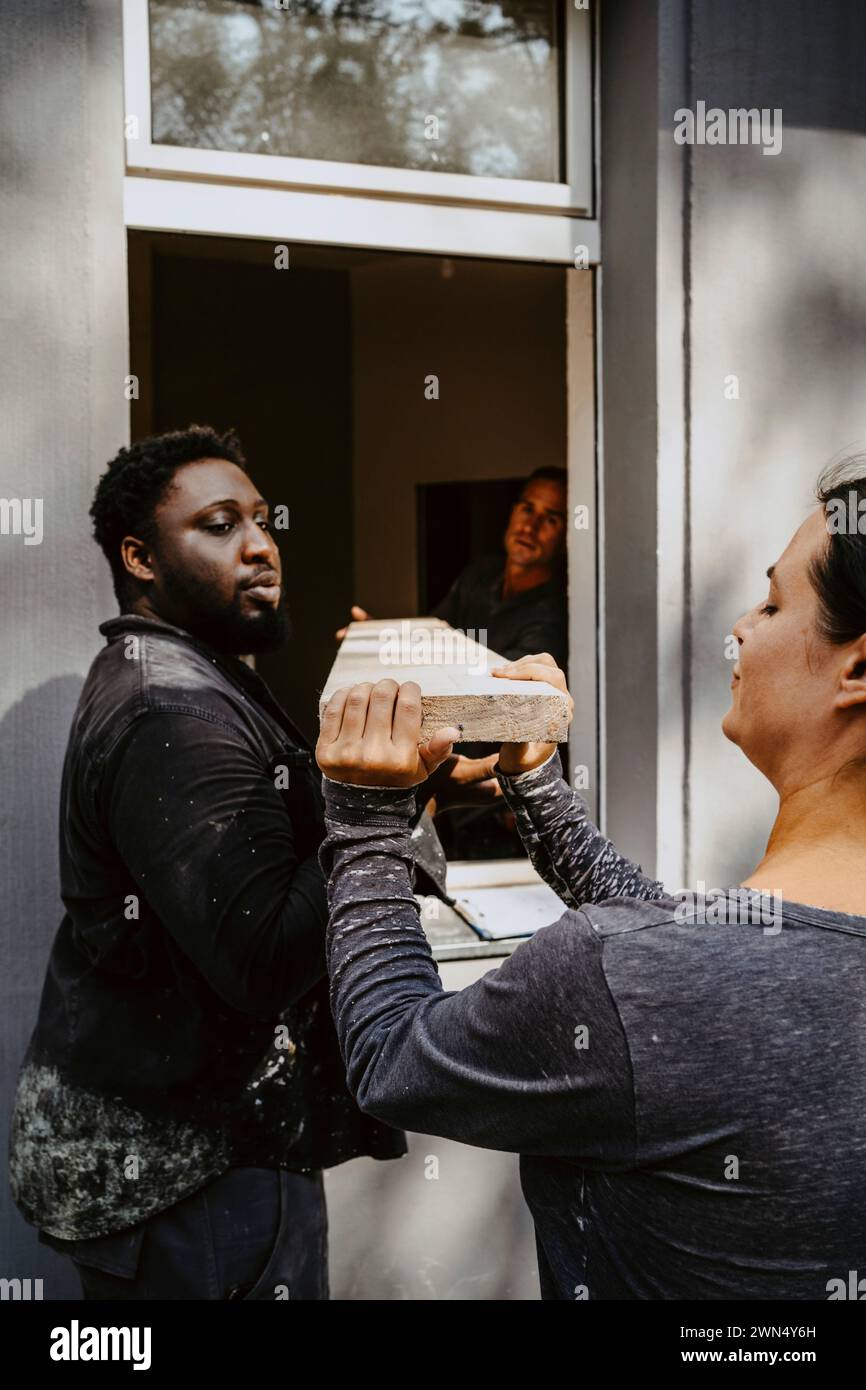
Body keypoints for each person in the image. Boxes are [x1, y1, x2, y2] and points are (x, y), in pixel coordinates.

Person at [315, 456, 866, 1300]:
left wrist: (367, 816)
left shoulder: (625, 975)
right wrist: (534, 781)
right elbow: (678, 935)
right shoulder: (719, 950)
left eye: (774, 601)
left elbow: (393, 1057)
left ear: (855, 671)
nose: (744, 628)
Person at [8, 424, 417, 1301]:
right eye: (221, 524)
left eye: (263, 520)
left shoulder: (189, 677)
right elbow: (265, 957)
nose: (263, 545)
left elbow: (291, 849)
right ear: (141, 557)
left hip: (195, 1162)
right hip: (196, 1175)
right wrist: (383, 793)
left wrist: (392, 745)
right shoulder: (172, 712)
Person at [337, 466, 568, 667]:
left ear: (566, 535)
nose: (530, 527)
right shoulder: (481, 574)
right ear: (513, 512)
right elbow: (434, 636)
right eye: (527, 509)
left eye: (550, 519)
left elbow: (501, 684)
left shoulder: (554, 616)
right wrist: (381, 637)